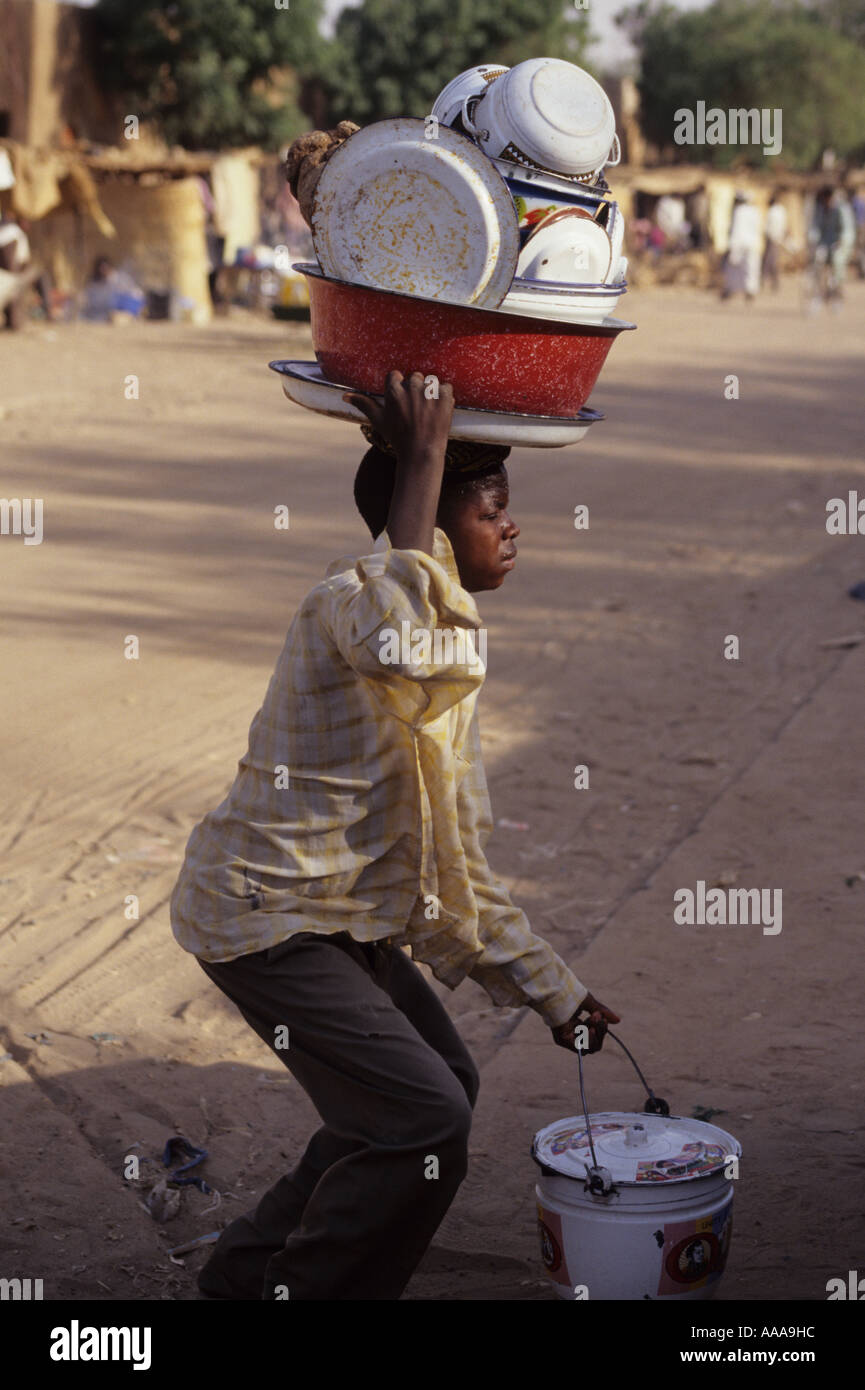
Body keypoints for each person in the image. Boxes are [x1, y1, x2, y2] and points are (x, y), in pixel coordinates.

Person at [170, 371, 621, 1301]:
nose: (512, 527)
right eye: (493, 509)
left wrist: (554, 993)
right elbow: (395, 632)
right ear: (431, 521)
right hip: (265, 919)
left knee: (422, 1091)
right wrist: (418, 458)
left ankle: (248, 1276)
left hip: (340, 918)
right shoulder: (349, 601)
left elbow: (449, 860)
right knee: (421, 1116)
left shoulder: (448, 641)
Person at [721, 191, 761, 301]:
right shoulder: (755, 211)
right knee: (751, 268)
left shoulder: (738, 211)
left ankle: (730, 289)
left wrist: (732, 246)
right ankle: (750, 290)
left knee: (733, 267)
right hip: (752, 243)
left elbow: (736, 229)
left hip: (739, 243)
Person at [762, 193, 787, 292]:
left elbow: (768, 226)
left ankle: (767, 281)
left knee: (770, 261)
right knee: (773, 261)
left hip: (773, 238)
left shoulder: (773, 211)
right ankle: (773, 282)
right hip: (777, 238)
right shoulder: (781, 210)